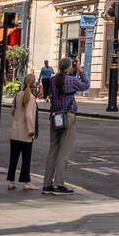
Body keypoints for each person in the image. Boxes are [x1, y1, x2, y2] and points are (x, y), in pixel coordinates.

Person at [43, 55, 90, 194]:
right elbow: (86, 85)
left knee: (53, 151)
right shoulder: (71, 80)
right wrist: (81, 71)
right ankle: (58, 183)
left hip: (54, 116)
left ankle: (47, 184)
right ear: (70, 67)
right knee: (63, 152)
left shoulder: (53, 80)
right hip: (67, 116)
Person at [7, 72, 38, 190]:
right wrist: (31, 130)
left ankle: (11, 182)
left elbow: (13, 111)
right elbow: (29, 116)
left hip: (15, 132)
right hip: (26, 133)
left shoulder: (17, 95)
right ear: (33, 84)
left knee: (13, 158)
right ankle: (26, 182)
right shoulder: (31, 97)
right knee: (26, 158)